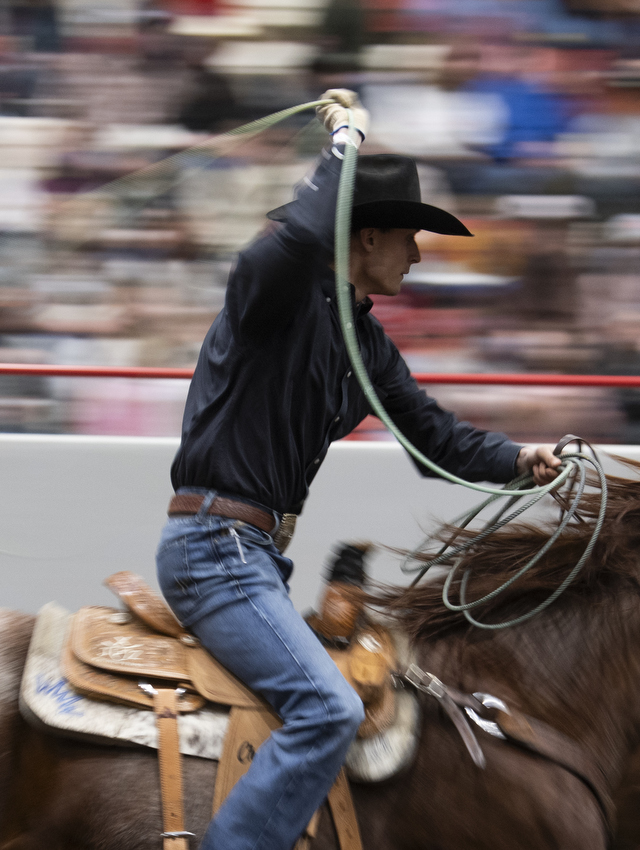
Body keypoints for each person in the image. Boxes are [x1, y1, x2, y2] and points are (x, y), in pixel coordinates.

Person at [155, 89, 561, 850]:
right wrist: (346, 138)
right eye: (408, 236)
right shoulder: (276, 293)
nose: (418, 252)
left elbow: (433, 435)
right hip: (217, 554)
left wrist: (519, 460)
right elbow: (295, 236)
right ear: (365, 236)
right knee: (330, 709)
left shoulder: (366, 346)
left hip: (249, 558)